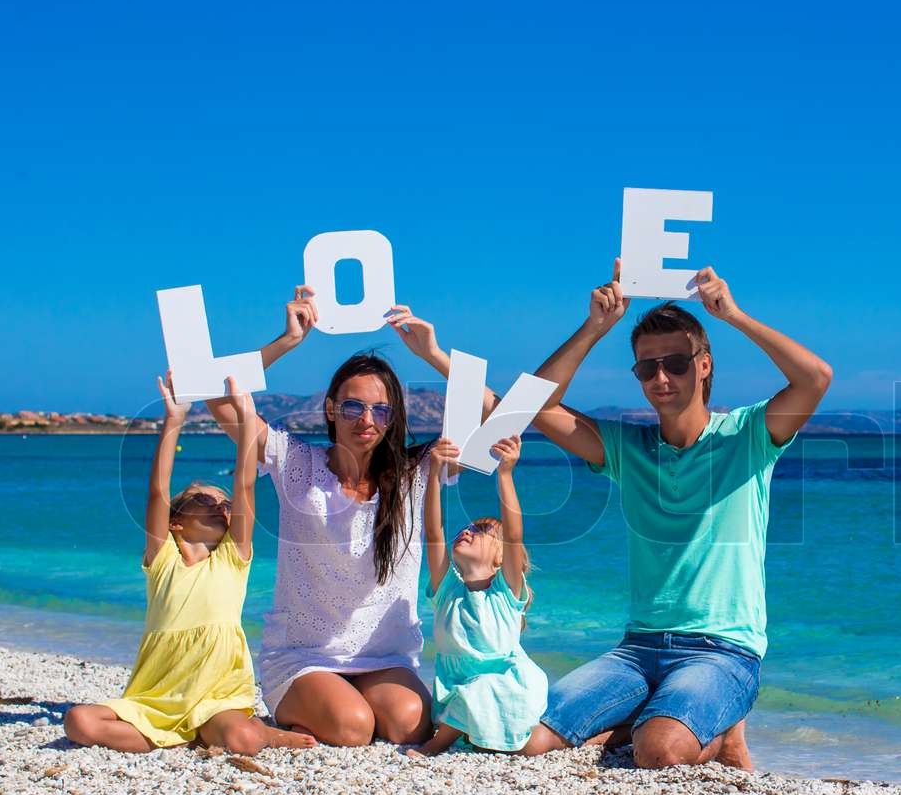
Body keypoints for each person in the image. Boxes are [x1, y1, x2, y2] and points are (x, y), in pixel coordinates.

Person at [519, 261, 831, 769]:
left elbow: (816, 377)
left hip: (722, 651)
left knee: (659, 751)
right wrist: (595, 328)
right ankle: (670, 721)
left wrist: (733, 316)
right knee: (531, 737)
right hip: (637, 650)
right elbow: (536, 406)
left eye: (677, 363)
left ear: (703, 364)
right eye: (647, 367)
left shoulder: (749, 436)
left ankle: (714, 726)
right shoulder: (628, 448)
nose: (661, 377)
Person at [204, 289, 494, 746]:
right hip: (304, 655)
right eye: (354, 406)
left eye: (381, 409)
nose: (367, 420)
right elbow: (215, 398)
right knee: (352, 727)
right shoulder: (294, 463)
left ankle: (351, 700)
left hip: (386, 656)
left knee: (409, 723)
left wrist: (434, 354)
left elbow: (493, 412)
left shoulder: (417, 470)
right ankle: (296, 709)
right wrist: (286, 342)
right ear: (331, 409)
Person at [64, 376, 314, 755]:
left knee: (244, 741)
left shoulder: (233, 558)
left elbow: (245, 486)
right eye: (204, 499)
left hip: (218, 692)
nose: (219, 505)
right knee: (78, 722)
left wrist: (248, 424)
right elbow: (157, 491)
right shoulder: (161, 558)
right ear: (175, 521)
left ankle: (264, 733)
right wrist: (173, 418)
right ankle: (181, 734)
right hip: (158, 693)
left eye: (223, 503)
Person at [409, 434, 546, 757]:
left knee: (483, 689)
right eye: (467, 527)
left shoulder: (505, 592)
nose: (467, 530)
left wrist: (505, 473)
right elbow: (433, 531)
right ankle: (464, 728)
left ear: (500, 558)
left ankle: (436, 746)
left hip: (505, 687)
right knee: (467, 696)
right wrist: (433, 475)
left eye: (482, 531)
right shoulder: (447, 591)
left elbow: (514, 533)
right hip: (455, 689)